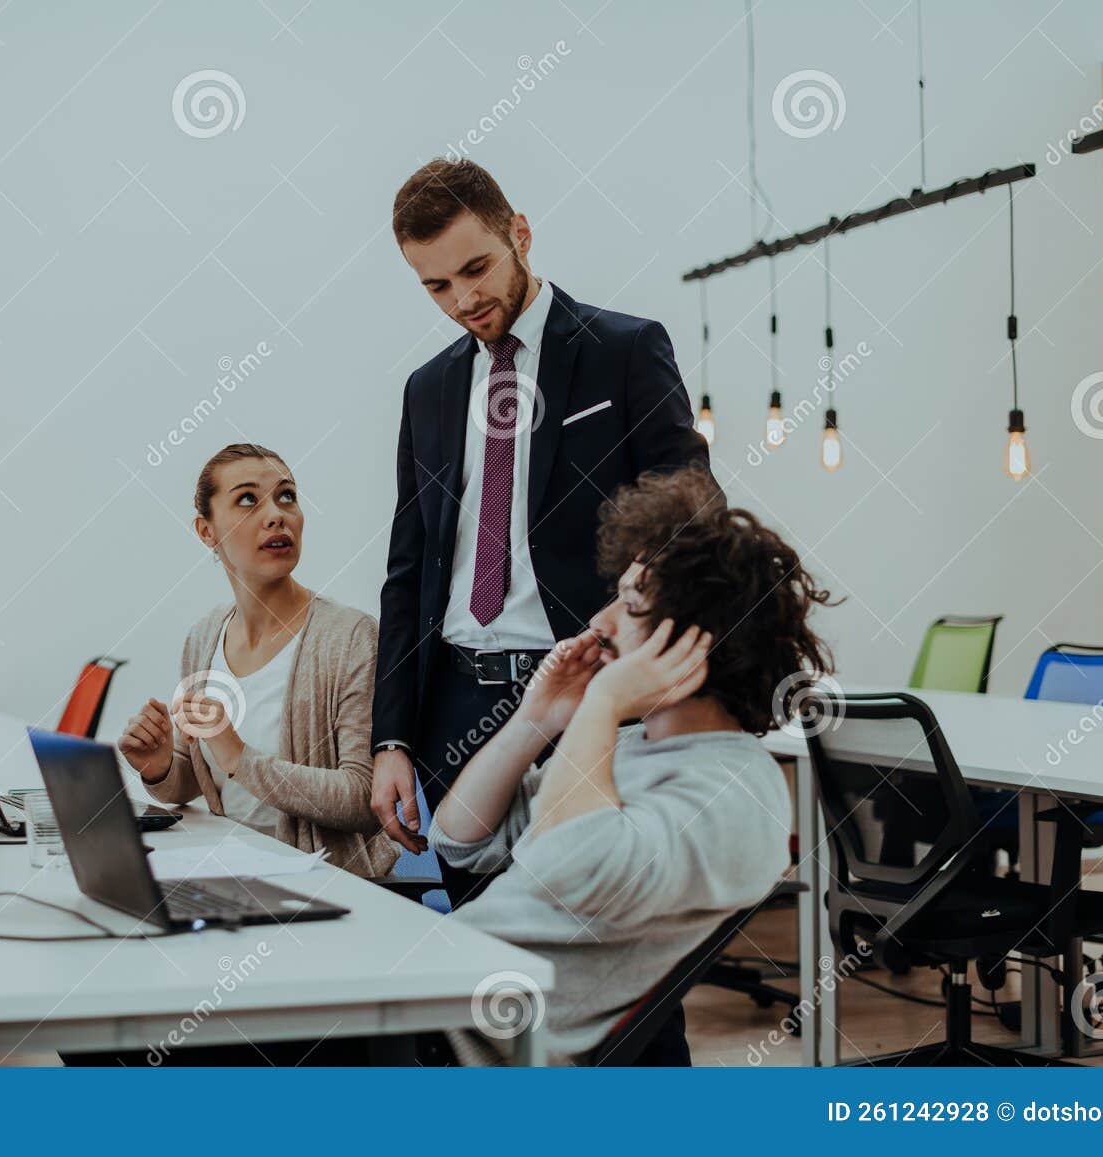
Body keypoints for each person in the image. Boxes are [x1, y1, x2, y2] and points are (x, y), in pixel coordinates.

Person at [372, 158, 717, 908]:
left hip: (587, 689)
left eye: (476, 268)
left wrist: (646, 614)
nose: (464, 298)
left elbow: (693, 510)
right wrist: (390, 739)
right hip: (455, 710)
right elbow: (408, 573)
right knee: (478, 951)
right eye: (436, 285)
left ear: (519, 234)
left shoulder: (623, 350)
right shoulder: (427, 391)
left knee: (609, 934)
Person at [429, 468, 834, 1064]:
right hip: (428, 998)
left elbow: (566, 867)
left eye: (632, 605)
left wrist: (603, 701)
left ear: (696, 640)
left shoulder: (738, 791)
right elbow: (459, 839)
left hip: (455, 1044)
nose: (600, 622)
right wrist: (536, 720)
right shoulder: (628, 747)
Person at [118, 443, 398, 879]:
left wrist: (239, 756)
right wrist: (159, 768)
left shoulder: (350, 637)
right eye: (248, 499)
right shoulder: (204, 638)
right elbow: (195, 782)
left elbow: (365, 799)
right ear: (206, 532)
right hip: (227, 872)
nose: (276, 514)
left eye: (286, 496)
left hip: (324, 887)